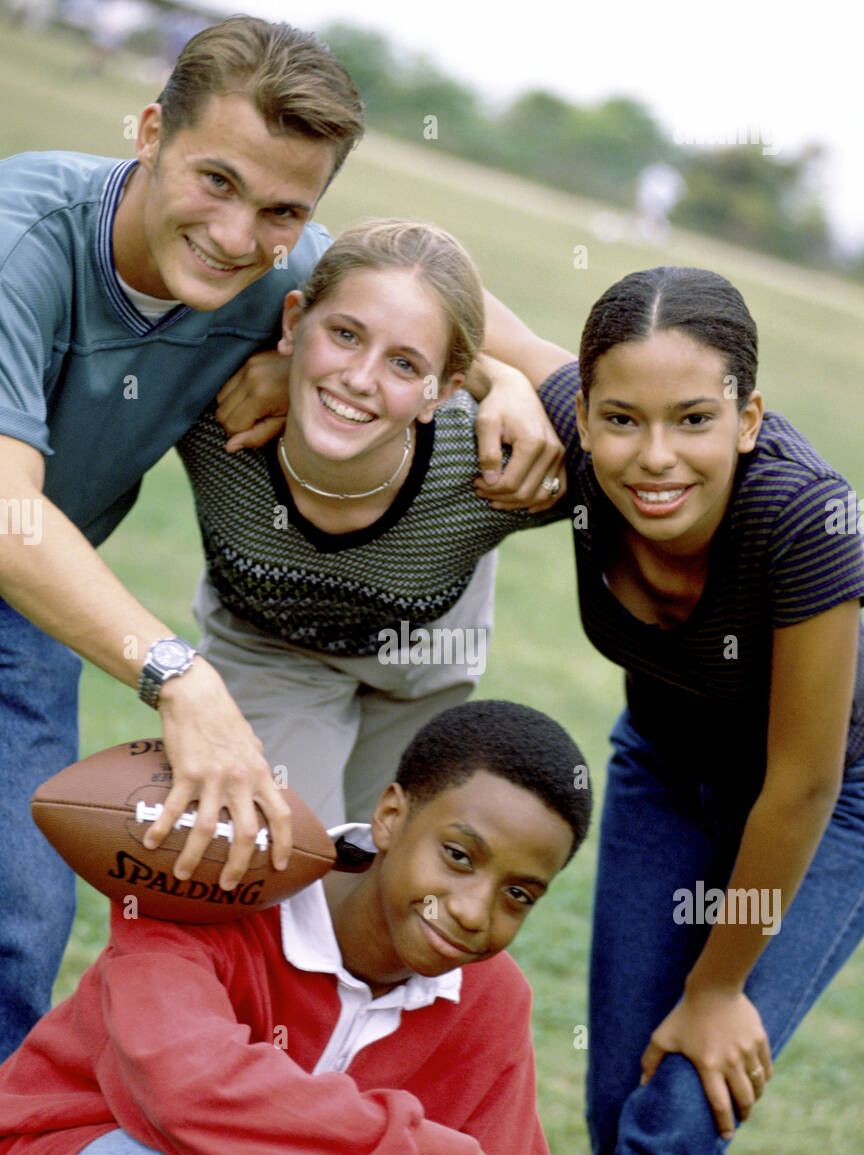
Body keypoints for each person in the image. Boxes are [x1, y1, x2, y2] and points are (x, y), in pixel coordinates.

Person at [0, 15, 563, 1061]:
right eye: (214, 180)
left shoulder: (285, 269)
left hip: (27, 600)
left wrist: (515, 382)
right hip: (23, 543)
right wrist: (180, 675)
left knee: (16, 914)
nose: (235, 232)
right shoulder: (20, 234)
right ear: (151, 129)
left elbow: (466, 315)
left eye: (281, 210)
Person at [490, 265, 864, 1155]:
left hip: (829, 804)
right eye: (620, 419)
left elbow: (802, 783)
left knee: (679, 1114)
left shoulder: (807, 524)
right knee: (623, 1111)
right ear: (589, 410)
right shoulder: (582, 421)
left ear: (748, 416)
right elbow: (437, 279)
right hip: (662, 764)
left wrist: (716, 988)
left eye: (694, 418)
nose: (653, 456)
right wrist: (499, 381)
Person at [0, 701, 592, 1155]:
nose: (472, 911)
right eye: (459, 856)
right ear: (390, 816)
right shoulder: (218, 877)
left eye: (517, 893)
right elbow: (189, 1090)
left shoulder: (486, 997)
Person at [178, 218, 572, 826]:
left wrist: (514, 380)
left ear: (444, 392)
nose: (360, 380)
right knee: (284, 853)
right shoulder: (217, 408)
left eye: (405, 365)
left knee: (372, 869)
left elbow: (647, 454)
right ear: (292, 323)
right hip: (272, 649)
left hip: (423, 658)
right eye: (343, 335)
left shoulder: (490, 461)